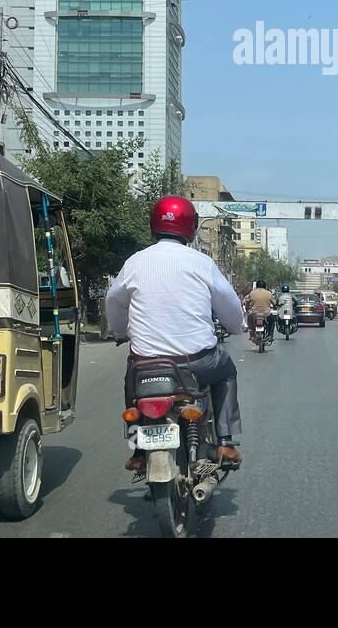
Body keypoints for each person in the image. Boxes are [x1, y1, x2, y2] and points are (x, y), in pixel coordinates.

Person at [107, 195, 246, 471]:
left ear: (153, 225)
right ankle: (225, 442)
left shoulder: (135, 262)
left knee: (131, 385)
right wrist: (234, 327)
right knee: (227, 370)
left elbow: (114, 301)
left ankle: (137, 451)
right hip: (198, 363)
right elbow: (229, 304)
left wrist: (119, 331)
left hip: (146, 364)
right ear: (190, 228)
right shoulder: (201, 263)